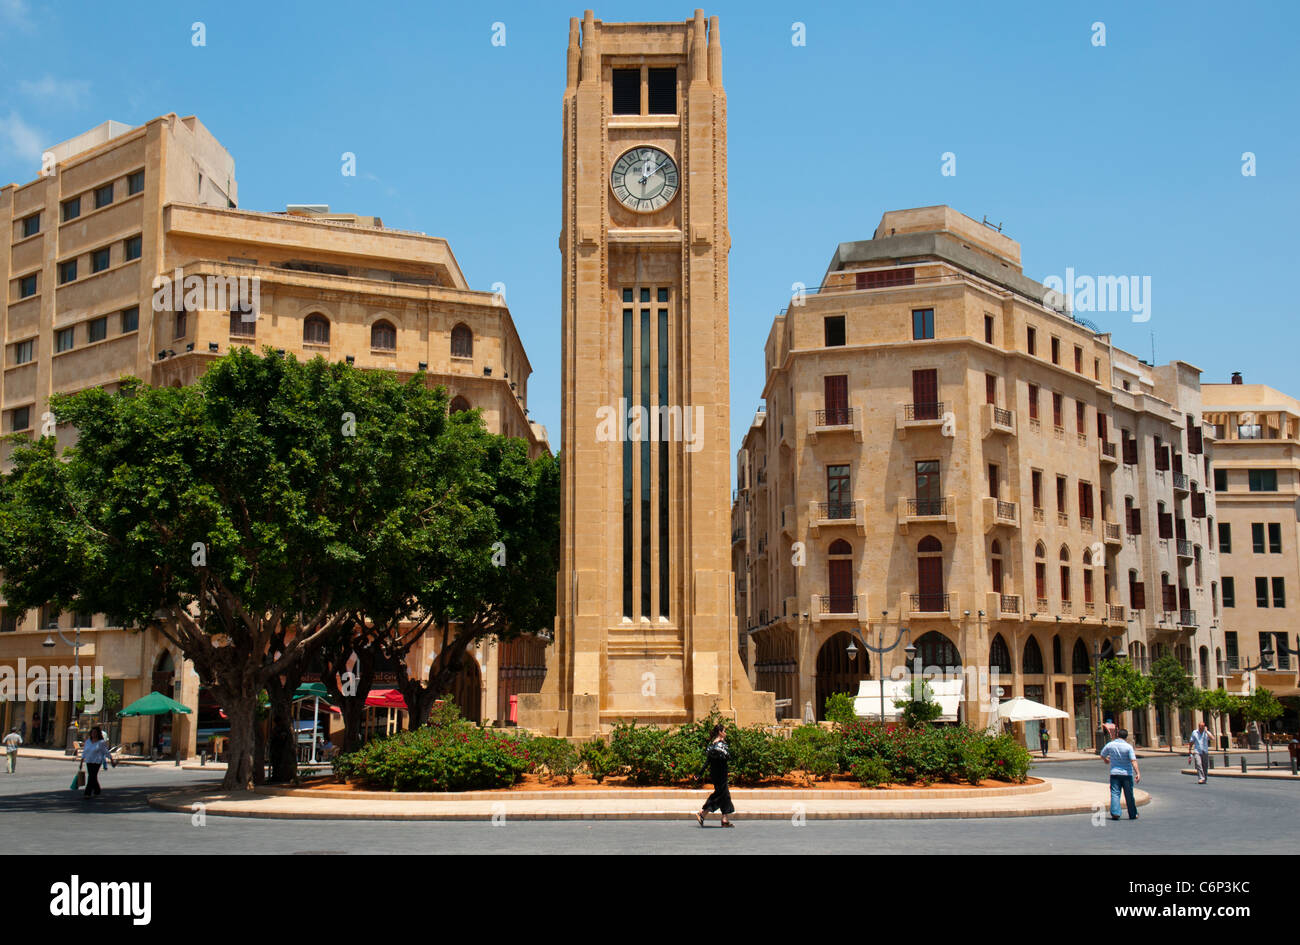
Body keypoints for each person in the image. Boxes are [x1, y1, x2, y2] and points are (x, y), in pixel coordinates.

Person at [696, 723, 734, 828]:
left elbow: (707, 761)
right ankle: (703, 813)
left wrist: (699, 773)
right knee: (720, 795)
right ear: (720, 732)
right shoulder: (720, 744)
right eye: (724, 731)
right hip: (720, 774)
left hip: (716, 774)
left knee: (724, 794)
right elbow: (727, 757)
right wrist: (699, 773)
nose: (725, 733)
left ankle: (725, 819)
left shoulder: (712, 745)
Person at [1100, 727, 1141, 820]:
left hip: (1114, 773)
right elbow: (1133, 761)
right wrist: (1138, 773)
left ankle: (1115, 813)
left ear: (1117, 735)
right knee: (1129, 794)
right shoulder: (1128, 747)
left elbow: (1102, 754)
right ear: (1126, 737)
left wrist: (1106, 760)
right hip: (1127, 774)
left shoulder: (1110, 745)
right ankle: (1133, 814)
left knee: (1115, 793)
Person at [81, 726, 111, 799]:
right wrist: (81, 760)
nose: (93, 734)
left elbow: (105, 751)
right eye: (92, 733)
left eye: (95, 733)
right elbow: (85, 751)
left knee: (91, 776)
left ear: (98, 734)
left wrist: (111, 759)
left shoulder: (101, 742)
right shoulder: (88, 741)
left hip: (97, 761)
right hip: (89, 760)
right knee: (93, 776)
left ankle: (87, 792)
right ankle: (97, 790)